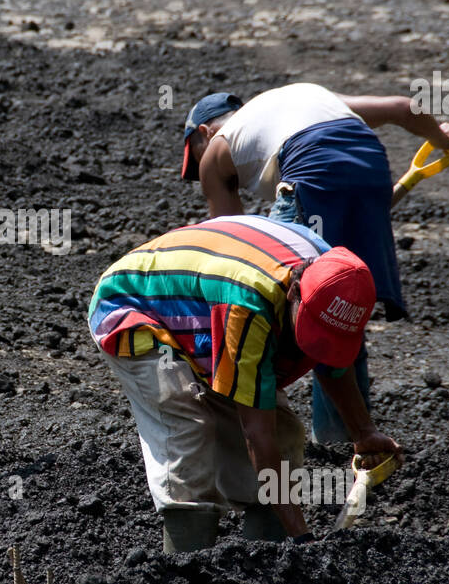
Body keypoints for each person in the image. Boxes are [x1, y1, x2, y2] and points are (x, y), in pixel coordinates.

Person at [88, 214, 403, 550]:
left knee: (284, 433)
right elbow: (256, 434)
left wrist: (363, 432)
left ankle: (267, 561)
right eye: (313, 332)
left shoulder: (339, 277)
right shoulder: (248, 307)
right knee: (188, 426)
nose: (319, 347)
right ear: (296, 292)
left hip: (205, 308)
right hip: (132, 308)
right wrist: (302, 539)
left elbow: (330, 363)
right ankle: (184, 571)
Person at [179, 83, 449, 442]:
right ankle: (343, 436)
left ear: (204, 132)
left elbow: (234, 248)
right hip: (369, 163)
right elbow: (404, 107)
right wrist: (443, 139)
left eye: (195, 155)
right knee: (339, 300)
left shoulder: (215, 155)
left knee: (281, 301)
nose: (199, 172)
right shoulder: (308, 97)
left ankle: (258, 421)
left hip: (307, 167)